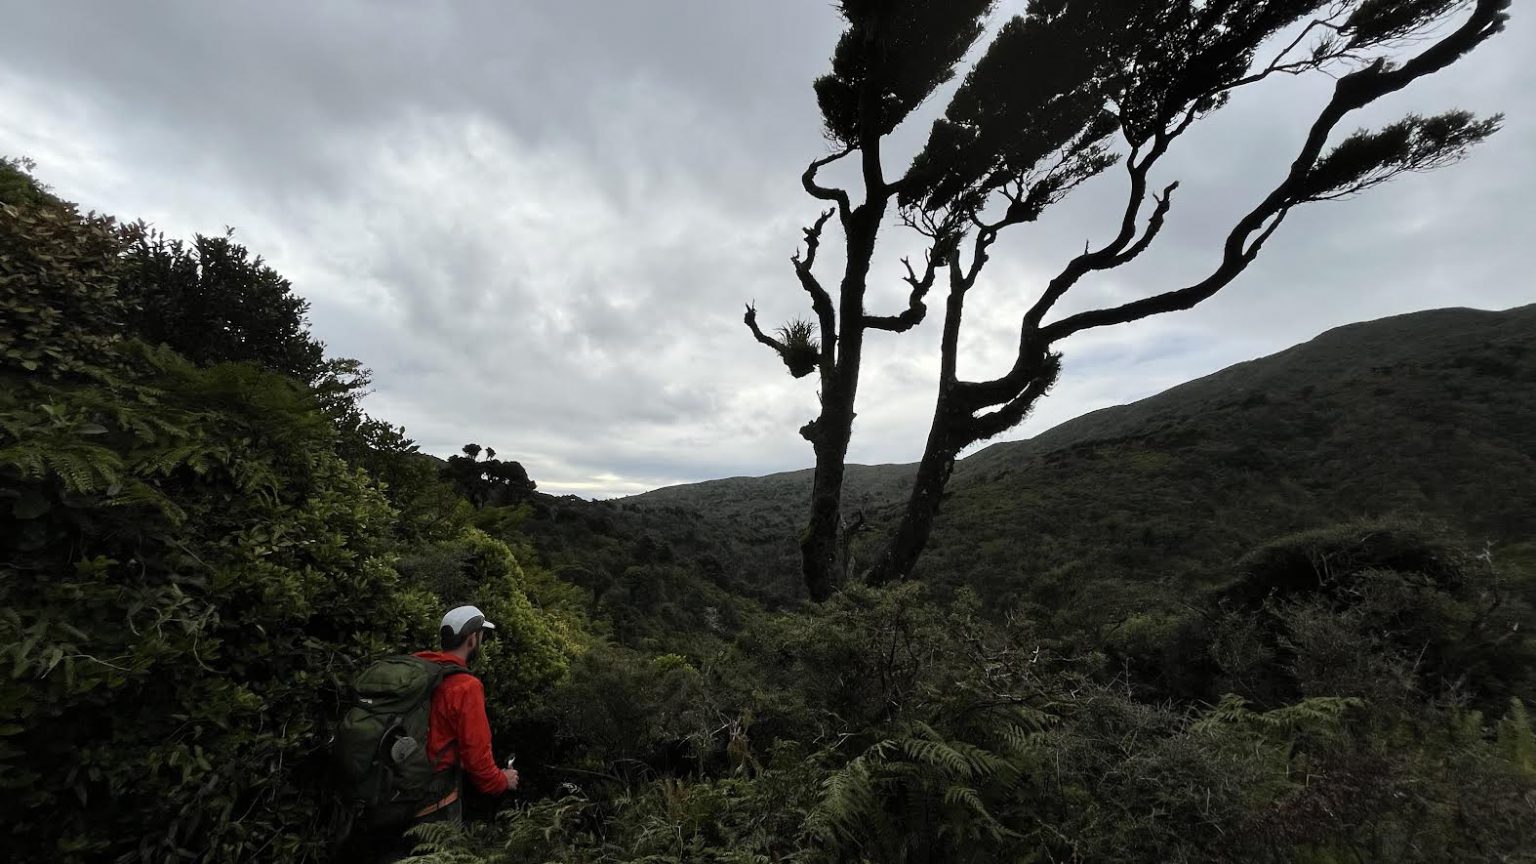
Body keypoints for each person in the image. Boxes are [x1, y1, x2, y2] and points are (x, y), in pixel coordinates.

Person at [374, 605, 519, 861]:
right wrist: (502, 780)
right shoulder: (466, 686)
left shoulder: (418, 668)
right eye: (481, 636)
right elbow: (477, 759)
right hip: (434, 801)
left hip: (389, 788)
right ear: (472, 638)